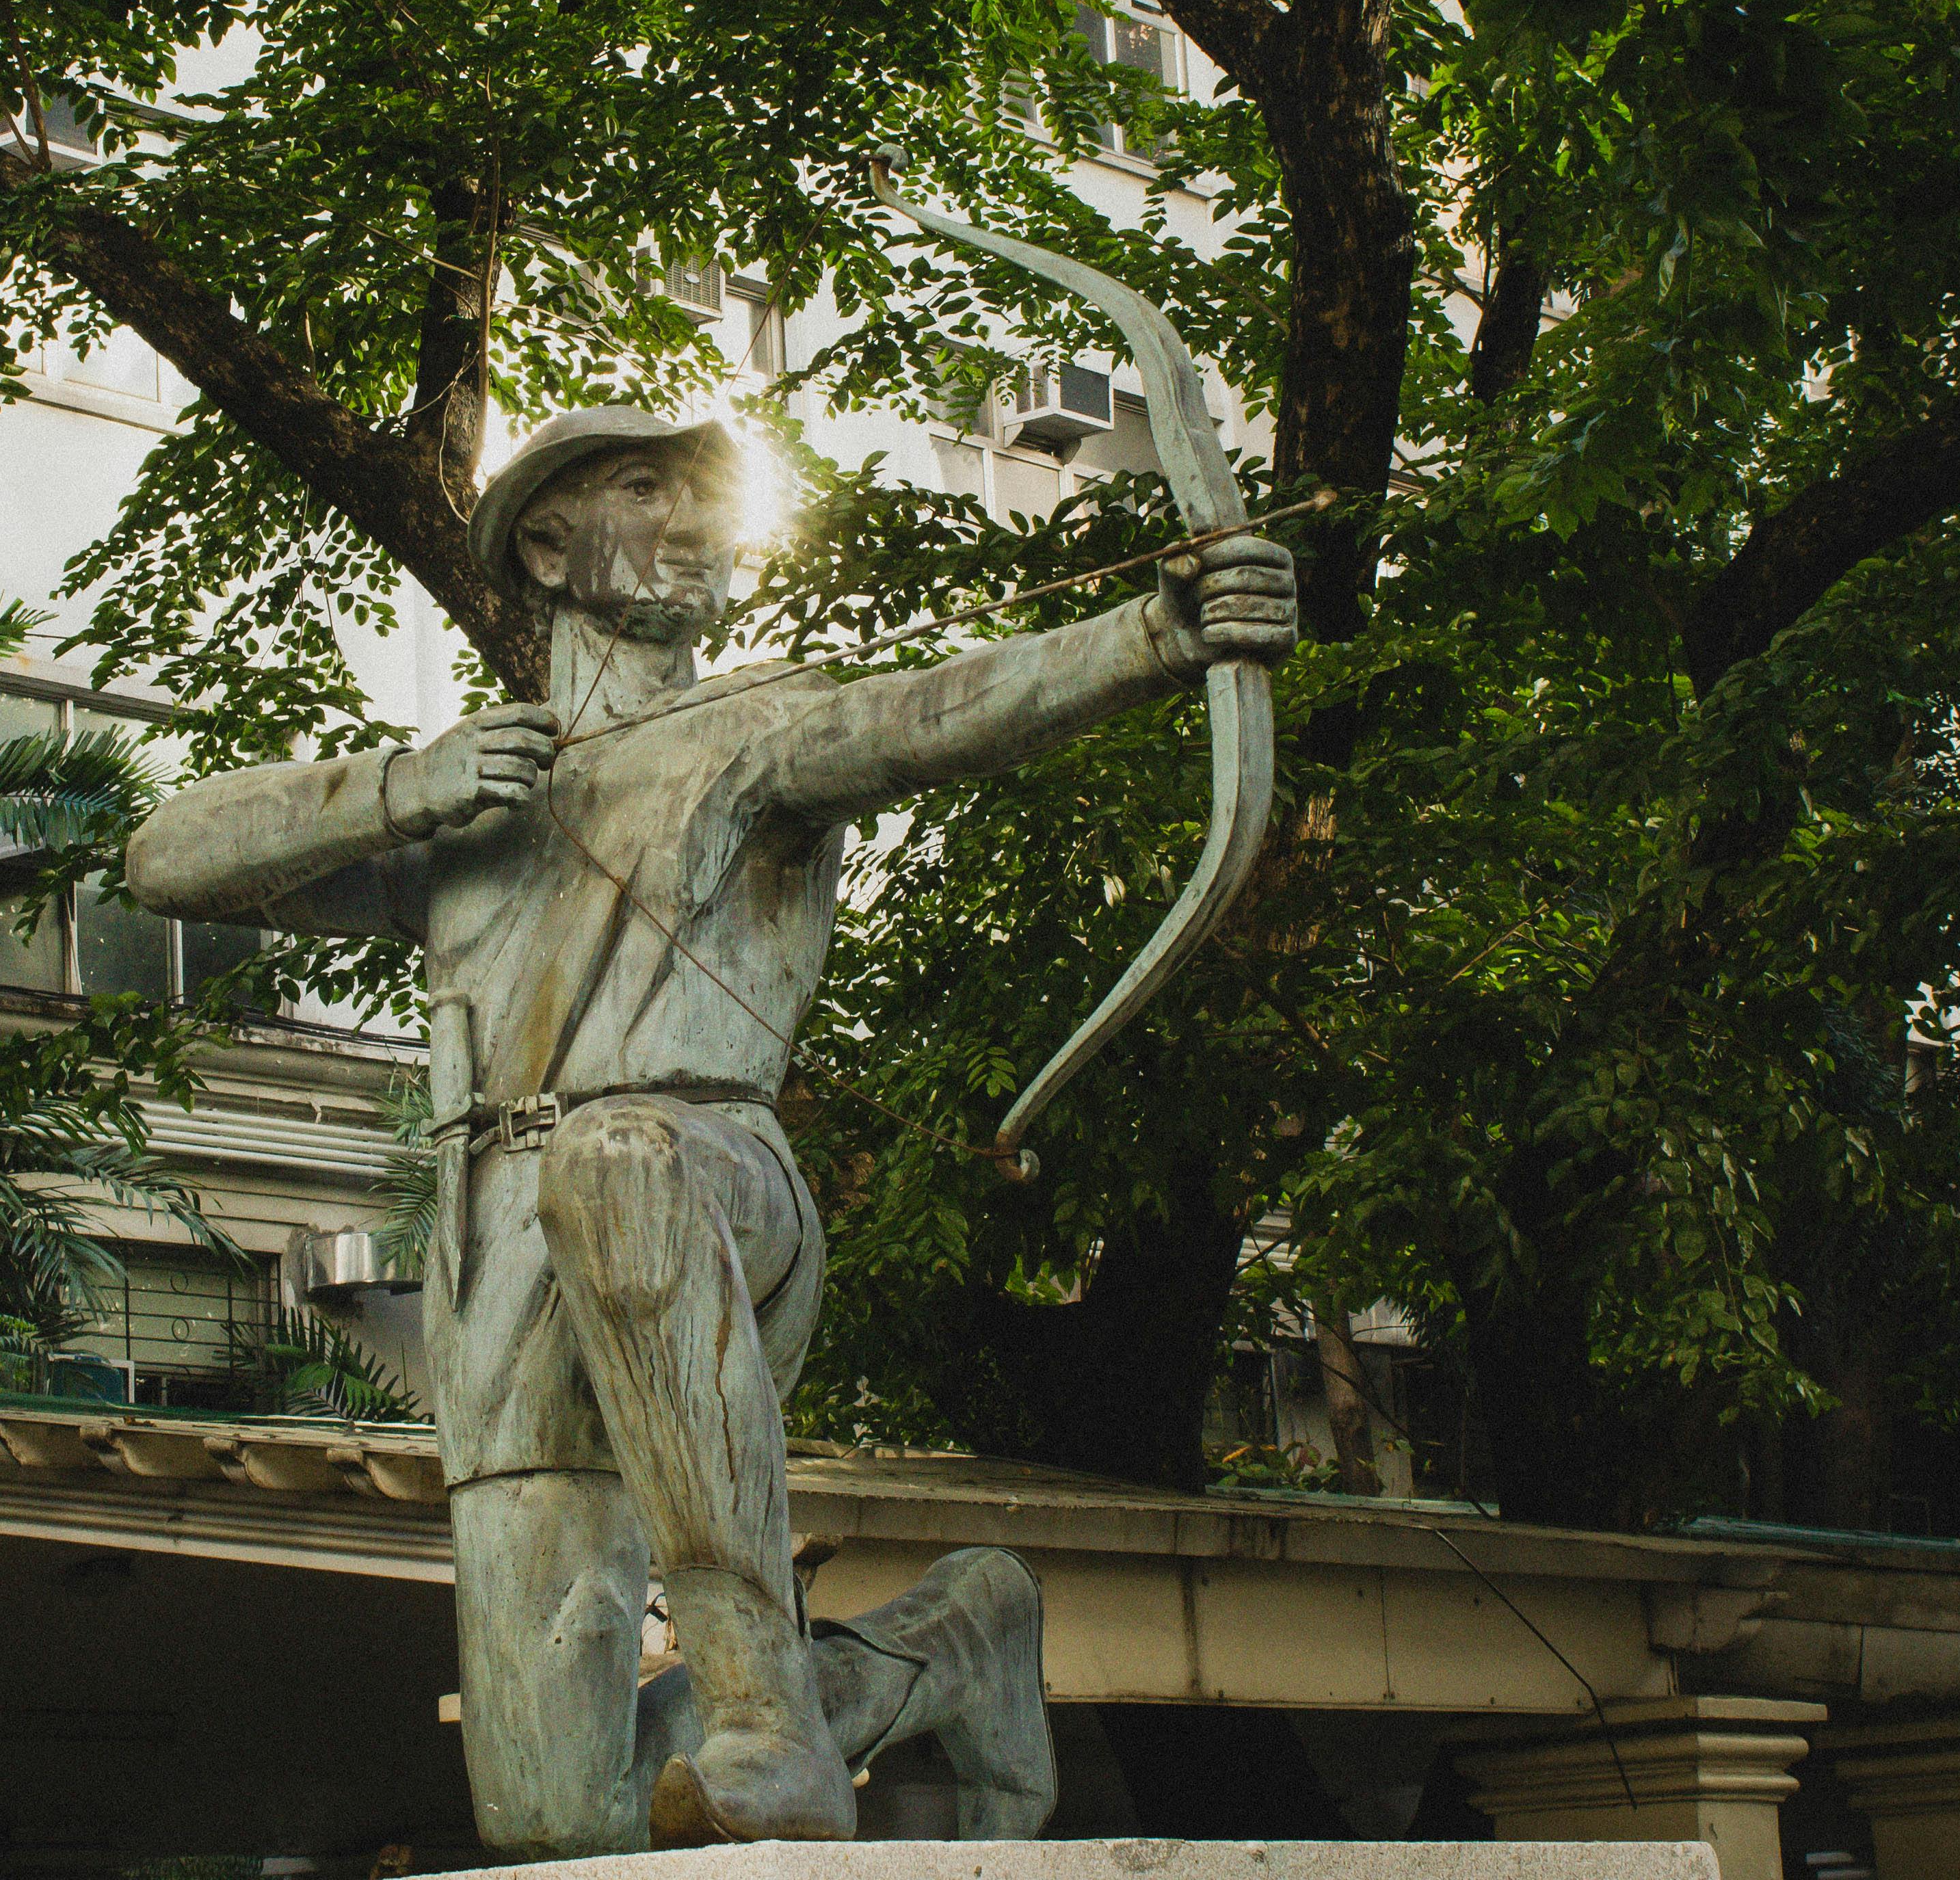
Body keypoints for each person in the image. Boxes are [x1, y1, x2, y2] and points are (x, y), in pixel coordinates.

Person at [127, 406, 1298, 1856]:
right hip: (503, 1287)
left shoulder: (761, 730)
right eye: (646, 490)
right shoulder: (469, 805)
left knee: (612, 1164)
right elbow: (162, 857)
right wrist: (399, 786)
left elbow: (943, 709)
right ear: (549, 544)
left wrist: (1155, 637)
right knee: (561, 1812)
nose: (696, 526)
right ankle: (956, 1642)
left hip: (707, 1178)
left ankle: (761, 1711)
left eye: (709, 502)